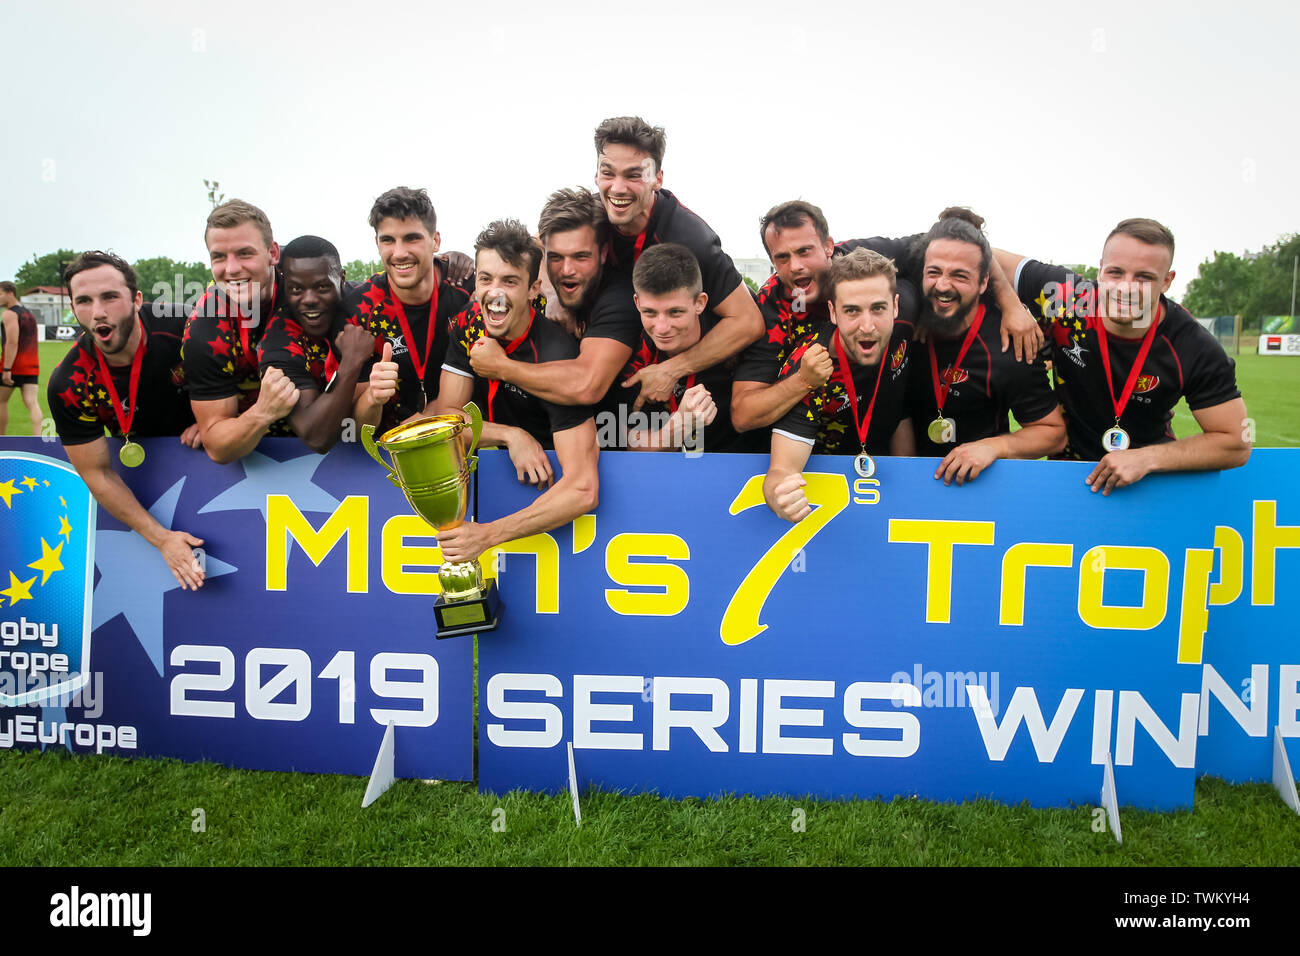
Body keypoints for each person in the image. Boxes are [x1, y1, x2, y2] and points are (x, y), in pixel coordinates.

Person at [996, 218, 1250, 494]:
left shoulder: (1192, 344)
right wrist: (1011, 306)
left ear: (1167, 281)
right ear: (1101, 270)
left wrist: (1148, 459)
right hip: (1067, 476)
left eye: (1144, 277)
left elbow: (1236, 443)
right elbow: (976, 251)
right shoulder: (1065, 296)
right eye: (1116, 273)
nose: (1126, 288)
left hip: (1146, 483)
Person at [430, 219, 599, 563]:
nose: (495, 294)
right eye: (486, 279)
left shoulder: (556, 353)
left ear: (533, 289)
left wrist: (488, 535)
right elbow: (445, 419)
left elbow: (583, 490)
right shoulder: (468, 323)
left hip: (546, 498)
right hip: (492, 476)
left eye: (510, 281)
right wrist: (509, 436)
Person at [47, 251, 206, 589]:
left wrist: (217, 422)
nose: (99, 312)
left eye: (109, 297)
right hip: (149, 482)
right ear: (73, 309)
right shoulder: (69, 383)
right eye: (84, 301)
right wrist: (162, 539)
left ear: (136, 299)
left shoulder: (186, 326)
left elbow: (247, 377)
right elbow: (98, 474)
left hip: (220, 458)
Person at [593, 116, 764, 408]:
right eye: (608, 173)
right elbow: (539, 243)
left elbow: (748, 322)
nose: (618, 188)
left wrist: (670, 371)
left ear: (657, 179)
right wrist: (552, 293)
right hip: (626, 358)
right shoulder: (589, 213)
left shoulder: (690, 239)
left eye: (634, 175)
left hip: (701, 384)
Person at [906, 210, 1065, 485]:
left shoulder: (1009, 343)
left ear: (983, 283)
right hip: (902, 486)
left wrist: (994, 447)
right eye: (934, 272)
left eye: (960, 276)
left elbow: (1053, 433)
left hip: (978, 489)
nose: (943, 285)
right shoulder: (899, 328)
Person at [465, 188, 641, 428]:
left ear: (603, 253)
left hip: (621, 440)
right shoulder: (537, 284)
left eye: (580, 256)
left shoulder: (619, 300)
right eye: (556, 257)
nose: (567, 269)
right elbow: (527, 245)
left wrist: (501, 367)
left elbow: (587, 385)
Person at [764, 249, 915, 522]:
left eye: (878, 308)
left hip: (892, 482)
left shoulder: (906, 324)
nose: (867, 326)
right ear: (833, 312)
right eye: (852, 311)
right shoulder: (810, 366)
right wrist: (780, 495)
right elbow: (781, 471)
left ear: (895, 306)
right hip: (830, 495)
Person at [183, 199, 298, 463]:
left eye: (245, 253)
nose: (232, 269)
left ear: (273, 253)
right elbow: (218, 447)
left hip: (337, 446)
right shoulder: (205, 328)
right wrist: (263, 412)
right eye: (219, 257)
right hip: (257, 456)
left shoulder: (307, 284)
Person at [349, 187, 473, 433]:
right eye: (388, 240)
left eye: (411, 238)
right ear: (377, 243)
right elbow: (358, 426)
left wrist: (430, 415)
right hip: (387, 451)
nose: (399, 253)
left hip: (458, 440)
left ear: (435, 241)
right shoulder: (358, 308)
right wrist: (373, 397)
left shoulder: (467, 289)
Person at [620, 243, 746, 452]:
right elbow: (622, 444)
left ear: (700, 302)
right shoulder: (629, 351)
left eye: (675, 312)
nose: (661, 328)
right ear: (636, 303)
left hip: (735, 473)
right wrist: (681, 424)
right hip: (660, 476)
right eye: (650, 312)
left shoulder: (738, 344)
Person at [256, 236, 376, 453]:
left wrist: (446, 265)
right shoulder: (278, 339)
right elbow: (317, 437)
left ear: (341, 279)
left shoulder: (370, 304)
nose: (309, 299)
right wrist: (350, 363)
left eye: (321, 287)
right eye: (296, 290)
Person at [0, 280, 42, 435]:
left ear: (10, 293)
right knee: (32, 403)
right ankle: (38, 438)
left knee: (1, 401)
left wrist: (6, 369)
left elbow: (12, 342)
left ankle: (2, 438)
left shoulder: (9, 314)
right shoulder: (29, 314)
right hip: (31, 365)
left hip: (13, 365)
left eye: (0, 294)